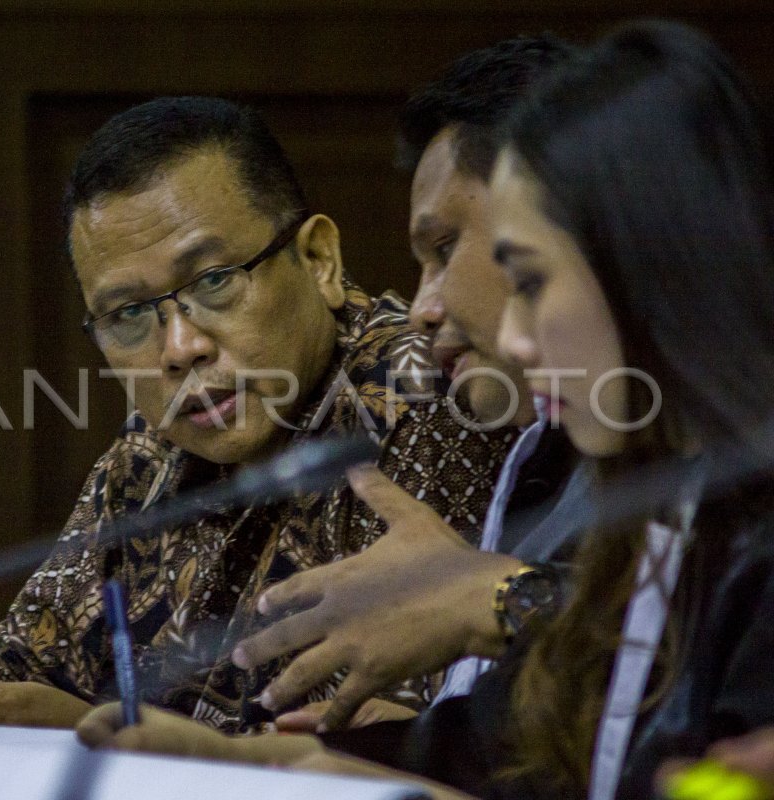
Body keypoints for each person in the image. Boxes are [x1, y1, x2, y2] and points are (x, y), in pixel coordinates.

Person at [75, 20, 774, 800]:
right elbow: (498, 751)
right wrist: (253, 766)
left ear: (656, 270)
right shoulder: (666, 511)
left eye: (532, 281)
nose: (515, 335)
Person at [0, 97, 516, 732]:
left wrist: (97, 735)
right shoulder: (151, 451)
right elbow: (28, 665)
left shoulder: (433, 397)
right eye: (129, 314)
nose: (179, 348)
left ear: (320, 260)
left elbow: (404, 741)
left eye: (212, 282)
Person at [235, 37, 589, 736]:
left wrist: (498, 598)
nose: (422, 309)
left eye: (446, 250)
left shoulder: (759, 452)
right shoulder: (553, 444)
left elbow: (698, 676)